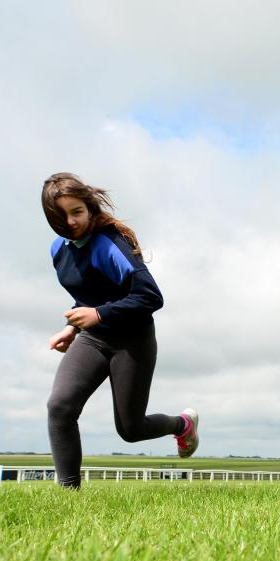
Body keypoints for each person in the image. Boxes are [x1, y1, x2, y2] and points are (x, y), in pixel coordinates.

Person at [42, 173, 199, 489]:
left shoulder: (110, 245)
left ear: (89, 208)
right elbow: (88, 292)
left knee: (130, 429)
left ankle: (182, 425)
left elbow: (150, 297)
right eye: (62, 215)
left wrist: (98, 314)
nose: (71, 221)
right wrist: (71, 328)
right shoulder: (58, 249)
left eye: (77, 212)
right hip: (93, 339)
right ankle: (68, 495)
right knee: (60, 407)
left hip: (132, 340)